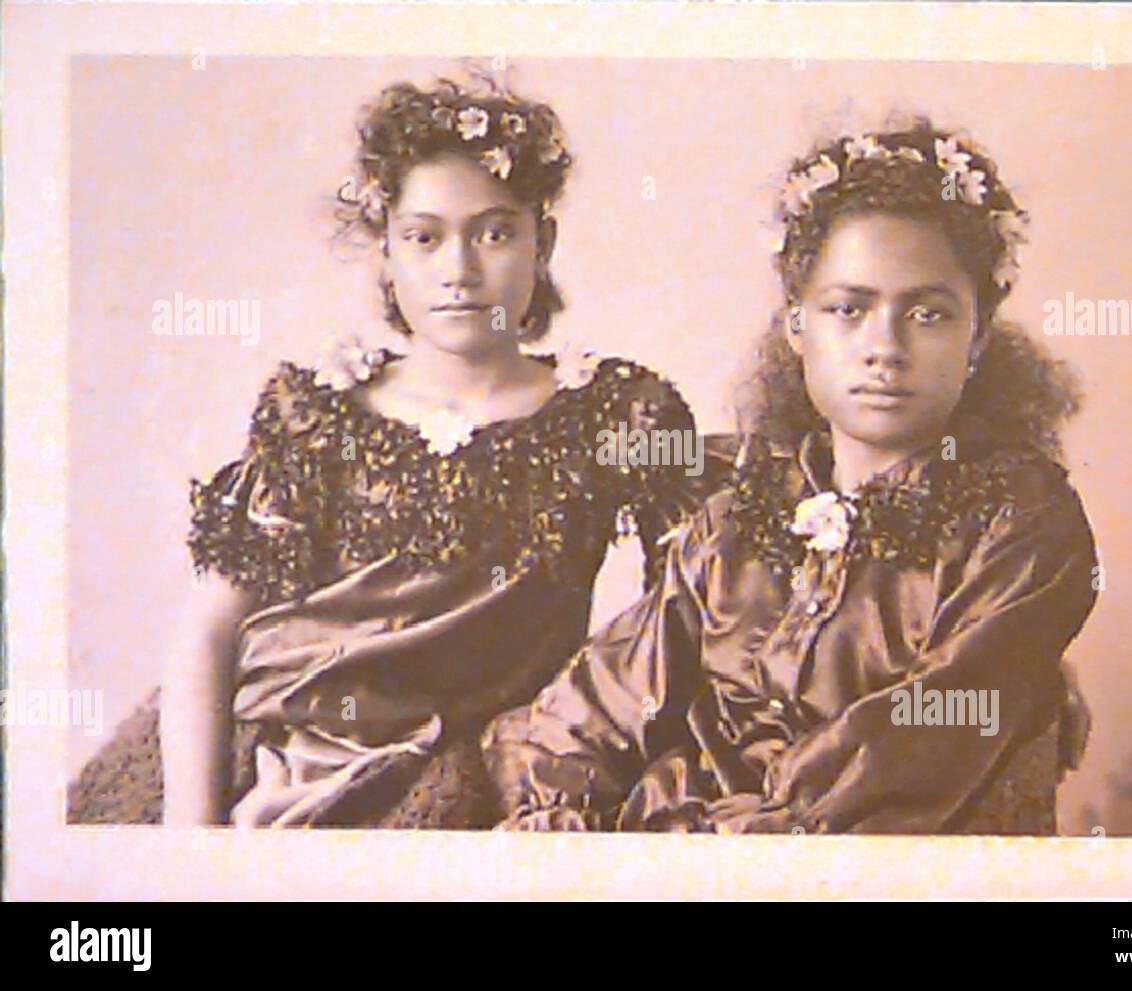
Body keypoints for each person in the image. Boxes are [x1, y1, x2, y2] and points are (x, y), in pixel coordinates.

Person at [68, 75, 718, 829]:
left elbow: (694, 617)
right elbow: (209, 632)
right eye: (424, 236)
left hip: (450, 766)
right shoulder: (318, 411)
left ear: (545, 240)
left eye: (495, 232)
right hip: (256, 745)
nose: (460, 268)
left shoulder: (618, 414)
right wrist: (193, 831)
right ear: (385, 250)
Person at [484, 116, 1100, 834]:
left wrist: (766, 828)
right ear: (797, 327)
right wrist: (555, 807)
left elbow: (938, 721)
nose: (884, 347)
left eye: (928, 314)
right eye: (848, 309)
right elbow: (614, 690)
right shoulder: (735, 518)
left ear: (978, 337)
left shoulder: (1022, 520)